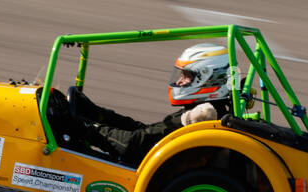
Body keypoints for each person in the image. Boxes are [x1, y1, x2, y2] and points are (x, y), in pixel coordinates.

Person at [63, 43, 232, 166]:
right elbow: (145, 132)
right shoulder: (208, 111)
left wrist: (83, 127)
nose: (179, 82)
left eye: (187, 76)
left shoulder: (201, 115)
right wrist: (96, 112)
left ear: (208, 77)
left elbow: (132, 145)